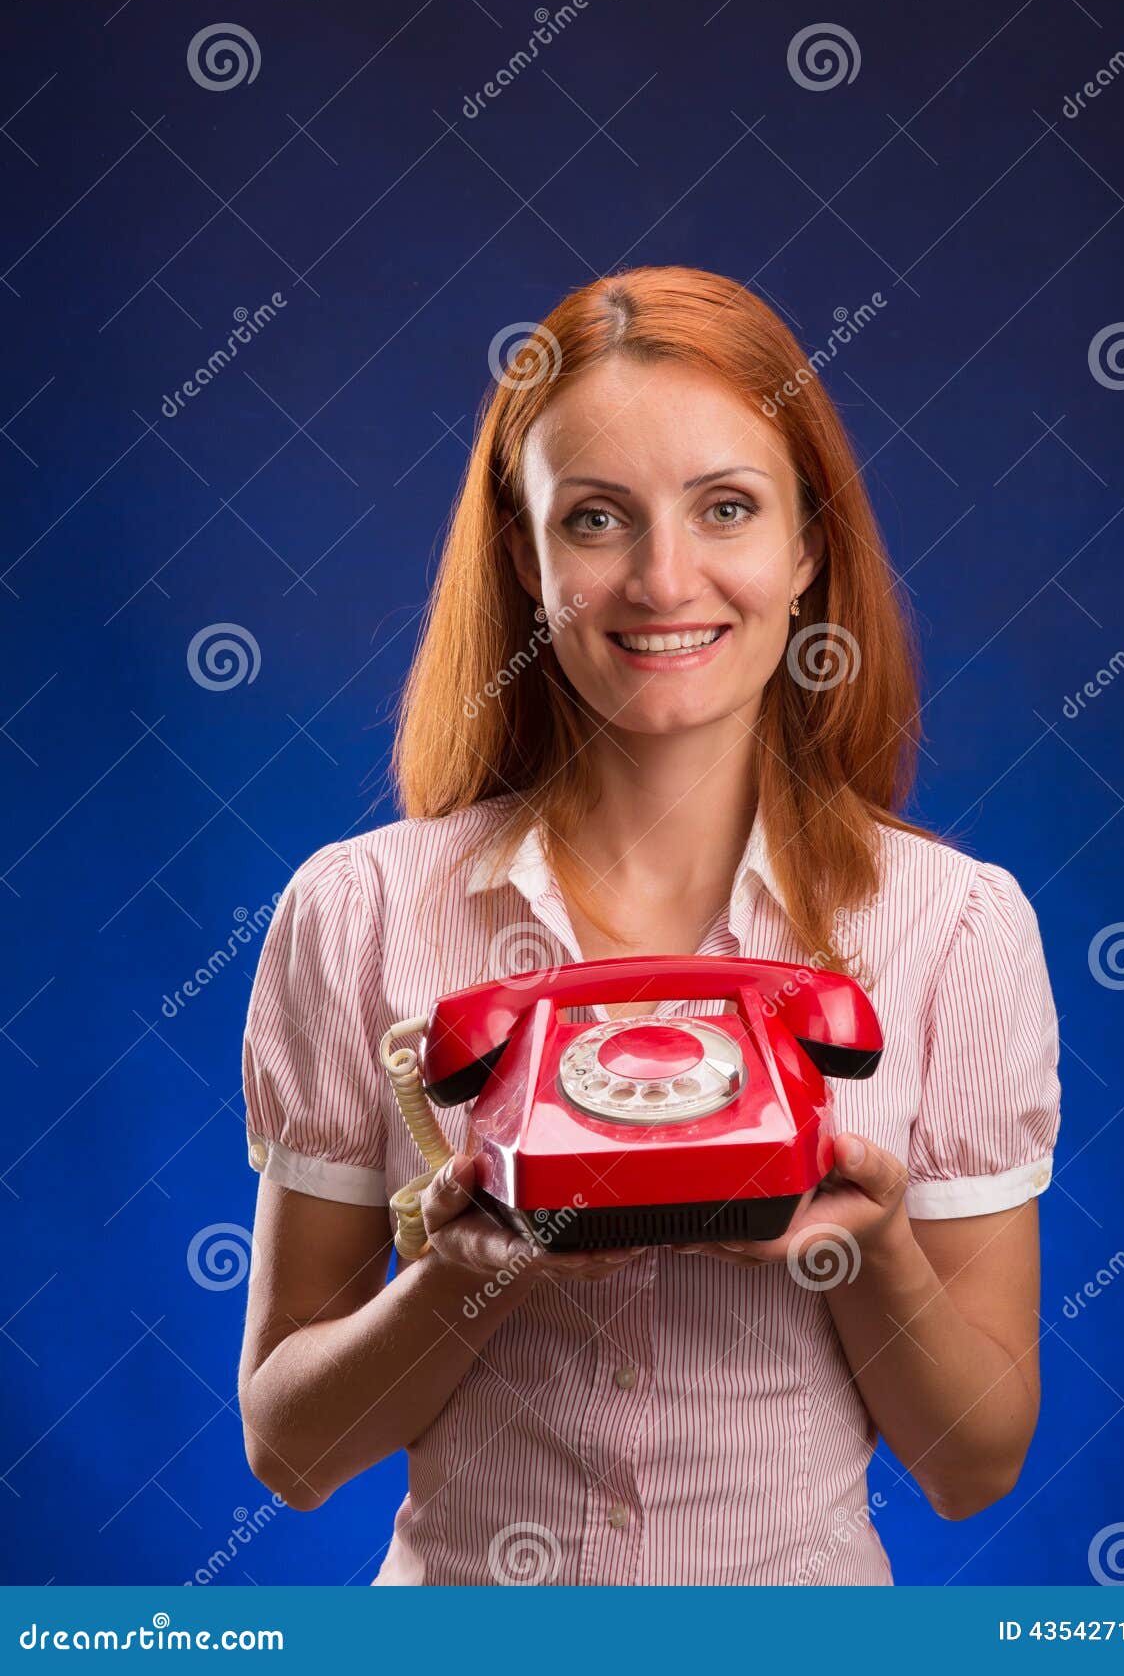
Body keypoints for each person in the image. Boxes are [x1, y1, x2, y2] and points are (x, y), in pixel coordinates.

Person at [237, 265, 1062, 1586]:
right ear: (528, 555)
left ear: (805, 547)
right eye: (598, 519)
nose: (662, 577)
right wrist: (461, 1277)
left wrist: (869, 1251)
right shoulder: (361, 909)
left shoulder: (954, 929)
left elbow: (971, 1465)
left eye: (725, 507)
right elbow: (291, 1450)